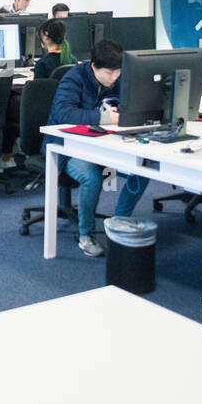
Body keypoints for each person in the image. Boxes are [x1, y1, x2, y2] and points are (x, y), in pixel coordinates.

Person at [46, 39, 150, 257]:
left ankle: (118, 221)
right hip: (66, 147)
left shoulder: (119, 78)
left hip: (106, 144)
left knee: (144, 169)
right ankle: (86, 235)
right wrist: (106, 118)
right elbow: (64, 114)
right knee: (92, 177)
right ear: (94, 66)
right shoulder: (74, 78)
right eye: (109, 73)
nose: (114, 78)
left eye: (118, 72)